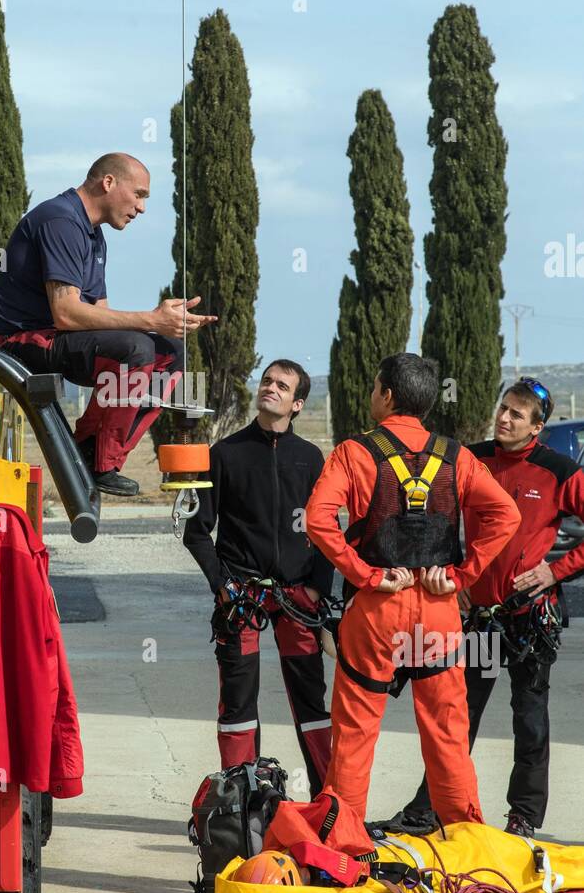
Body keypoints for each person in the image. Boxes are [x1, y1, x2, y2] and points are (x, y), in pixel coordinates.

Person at [304, 353, 521, 826]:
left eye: (374, 385)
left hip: (376, 609)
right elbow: (507, 515)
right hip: (439, 609)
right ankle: (466, 848)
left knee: (356, 732)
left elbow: (318, 520)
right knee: (448, 734)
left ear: (386, 395)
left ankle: (345, 849)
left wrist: (365, 574)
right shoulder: (457, 455)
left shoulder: (354, 452)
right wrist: (463, 575)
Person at [379, 377, 584, 838]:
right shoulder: (470, 459)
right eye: (503, 408)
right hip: (478, 617)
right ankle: (427, 811)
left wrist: (556, 571)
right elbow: (430, 519)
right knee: (456, 716)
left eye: (517, 413)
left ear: (537, 427)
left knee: (529, 720)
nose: (504, 417)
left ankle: (524, 818)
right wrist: (455, 575)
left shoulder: (558, 470)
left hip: (531, 620)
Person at [0, 152, 215, 496]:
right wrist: (151, 319)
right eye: (139, 195)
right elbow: (66, 312)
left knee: (170, 354)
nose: (141, 208)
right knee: (136, 348)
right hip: (22, 340)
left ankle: (97, 450)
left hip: (59, 339)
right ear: (108, 182)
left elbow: (101, 315)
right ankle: (99, 460)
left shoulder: (95, 237)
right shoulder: (60, 220)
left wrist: (163, 324)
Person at [183, 360, 335, 792]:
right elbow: (196, 531)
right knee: (238, 703)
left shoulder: (309, 459)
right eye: (267, 380)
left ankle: (327, 797)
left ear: (298, 403)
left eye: (282, 386)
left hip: (297, 598)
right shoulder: (225, 454)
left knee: (312, 703)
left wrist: (316, 588)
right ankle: (241, 797)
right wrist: (223, 585)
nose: (270, 388)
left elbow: (326, 530)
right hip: (240, 598)